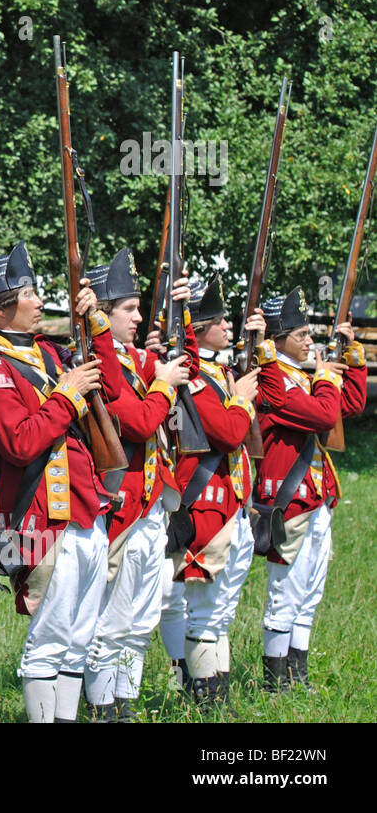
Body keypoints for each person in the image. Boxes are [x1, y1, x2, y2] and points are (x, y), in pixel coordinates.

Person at [0, 242, 113, 722]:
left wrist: (96, 325)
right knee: (49, 643)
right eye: (28, 292)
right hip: (43, 518)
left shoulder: (48, 353)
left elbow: (109, 386)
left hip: (85, 509)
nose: (38, 300)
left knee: (77, 641)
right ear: (3, 308)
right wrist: (67, 397)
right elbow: (19, 443)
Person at [81, 248, 193, 722]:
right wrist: (164, 385)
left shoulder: (134, 359)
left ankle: (125, 705)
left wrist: (182, 311)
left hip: (151, 508)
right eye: (128, 308)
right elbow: (140, 420)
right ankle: (104, 707)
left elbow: (180, 365)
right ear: (104, 315)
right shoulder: (99, 360)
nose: (138, 315)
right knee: (112, 621)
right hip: (122, 507)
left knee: (139, 622)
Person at [253, 286, 365, 690]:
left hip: (317, 498)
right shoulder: (273, 380)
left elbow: (347, 406)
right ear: (280, 339)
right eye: (301, 335)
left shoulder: (301, 376)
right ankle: (274, 680)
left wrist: (351, 357)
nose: (308, 341)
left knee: (309, 591)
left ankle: (296, 675)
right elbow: (321, 414)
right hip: (290, 499)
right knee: (286, 592)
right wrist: (322, 379)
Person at [170, 274, 260, 709]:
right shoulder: (195, 377)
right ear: (199, 328)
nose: (229, 327)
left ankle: (215, 697)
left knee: (222, 611)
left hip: (233, 504)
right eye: (219, 321)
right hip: (207, 506)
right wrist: (241, 399)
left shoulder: (219, 372)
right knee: (205, 611)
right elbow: (226, 433)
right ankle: (203, 700)